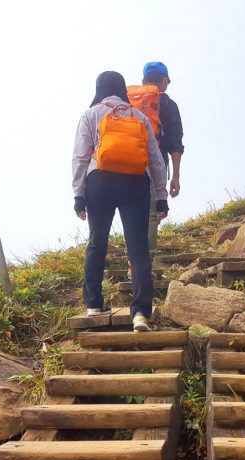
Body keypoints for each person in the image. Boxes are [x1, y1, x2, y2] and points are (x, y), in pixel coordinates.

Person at [72, 71, 168, 332]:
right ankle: (140, 313)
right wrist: (161, 196)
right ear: (123, 90)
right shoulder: (139, 117)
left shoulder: (91, 114)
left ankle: (93, 304)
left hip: (99, 182)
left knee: (97, 242)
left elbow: (80, 157)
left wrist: (78, 194)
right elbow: (155, 159)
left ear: (99, 88)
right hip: (136, 183)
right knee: (137, 249)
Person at [128, 61, 184, 255]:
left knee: (132, 214)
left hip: (124, 165)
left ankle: (133, 260)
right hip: (153, 165)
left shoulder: (126, 102)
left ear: (143, 81)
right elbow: (175, 143)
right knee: (152, 215)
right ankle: (144, 264)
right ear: (163, 81)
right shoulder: (167, 104)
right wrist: (175, 176)